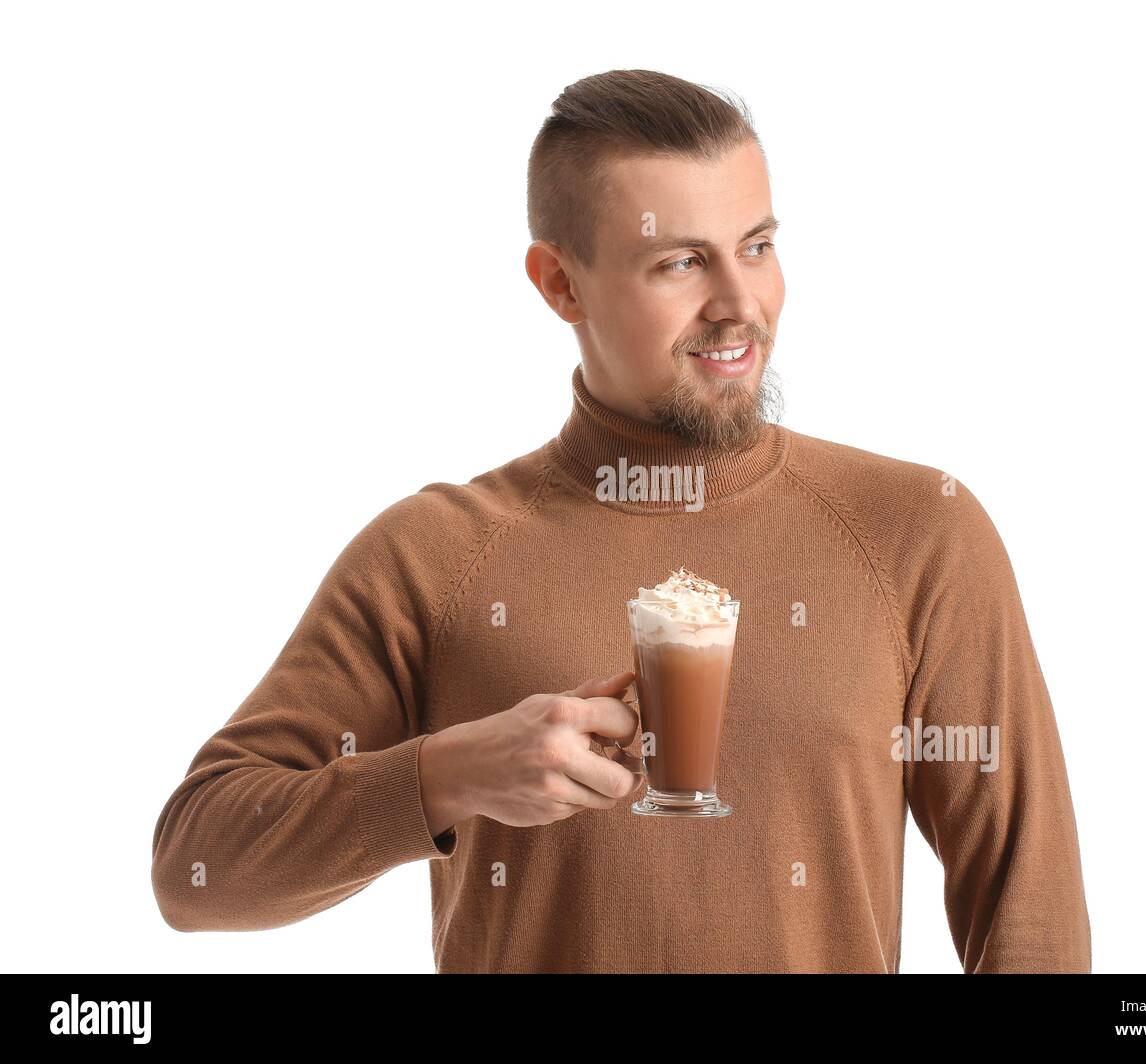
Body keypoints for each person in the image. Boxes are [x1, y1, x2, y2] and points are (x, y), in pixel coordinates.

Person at [151, 68, 1091, 973]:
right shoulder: (432, 556)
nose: (739, 306)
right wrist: (445, 776)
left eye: (757, 246)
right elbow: (196, 867)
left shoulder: (918, 534)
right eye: (680, 262)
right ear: (560, 284)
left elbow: (1029, 911)